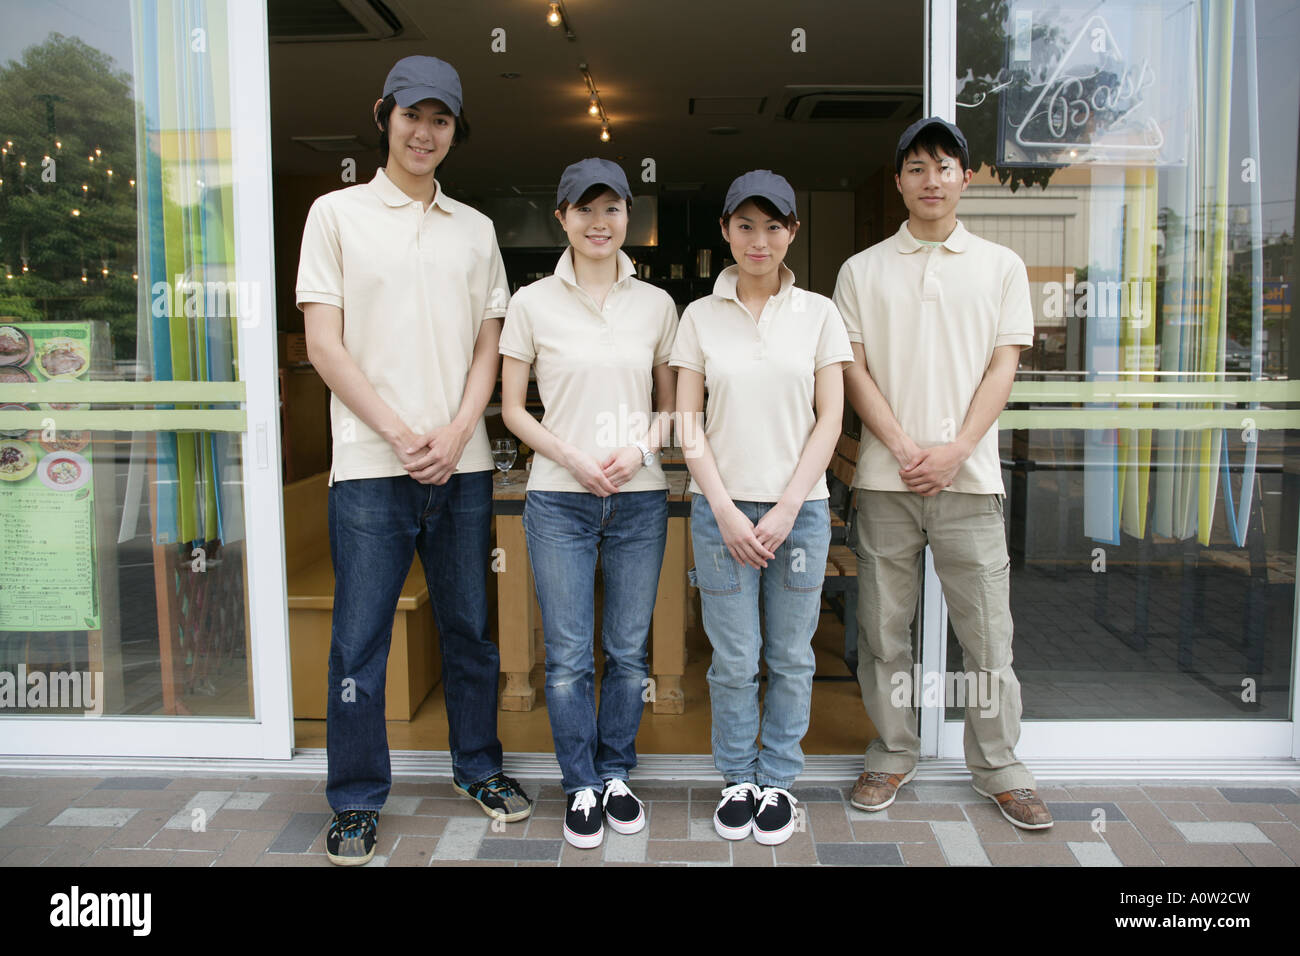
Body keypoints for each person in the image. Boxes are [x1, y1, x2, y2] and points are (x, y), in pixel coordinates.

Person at [296, 54, 532, 866]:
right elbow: (324, 344)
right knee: (359, 644)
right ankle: (357, 798)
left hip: (460, 465)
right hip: (370, 466)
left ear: (453, 131)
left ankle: (478, 767)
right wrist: (401, 433)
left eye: (442, 120)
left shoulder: (475, 228)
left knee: (469, 630)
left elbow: (490, 341)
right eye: (413, 115)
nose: (425, 132)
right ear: (384, 116)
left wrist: (462, 424)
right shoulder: (335, 215)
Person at [833, 117, 1052, 830]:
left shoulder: (1001, 266)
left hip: (970, 479)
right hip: (886, 481)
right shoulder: (861, 269)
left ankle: (999, 766)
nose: (932, 180)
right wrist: (899, 443)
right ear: (898, 181)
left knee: (987, 635)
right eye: (918, 167)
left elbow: (1004, 367)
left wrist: (955, 448)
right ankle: (893, 751)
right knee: (882, 631)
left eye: (945, 166)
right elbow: (852, 369)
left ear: (966, 178)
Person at [499, 158, 677, 850]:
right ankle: (579, 783)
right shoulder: (531, 303)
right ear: (562, 218)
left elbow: (672, 407)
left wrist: (635, 454)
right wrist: (573, 456)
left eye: (612, 210)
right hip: (558, 499)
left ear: (628, 217)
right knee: (569, 655)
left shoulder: (657, 304)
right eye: (584, 210)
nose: (598, 223)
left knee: (628, 653)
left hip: (638, 500)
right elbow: (513, 408)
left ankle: (615, 773)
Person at [671, 170, 853, 846]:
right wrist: (723, 508)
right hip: (720, 512)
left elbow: (829, 418)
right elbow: (687, 423)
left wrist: (785, 507)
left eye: (773, 226)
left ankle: (778, 778)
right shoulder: (698, 317)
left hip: (797, 512)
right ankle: (738, 778)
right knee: (735, 657)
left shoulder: (819, 313)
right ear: (725, 231)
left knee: (791, 652)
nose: (759, 239)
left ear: (792, 233)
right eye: (745, 225)